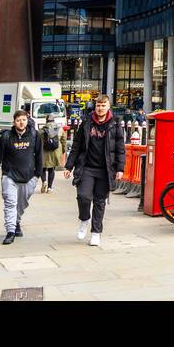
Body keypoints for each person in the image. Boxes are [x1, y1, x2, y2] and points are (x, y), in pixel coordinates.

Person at [64, 93, 126, 246]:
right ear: (95, 106)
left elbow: (120, 148)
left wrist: (120, 168)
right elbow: (77, 146)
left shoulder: (115, 123)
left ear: (108, 106)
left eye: (103, 105)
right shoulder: (86, 122)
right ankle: (84, 219)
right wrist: (69, 166)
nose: (100, 108)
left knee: (99, 201)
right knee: (83, 197)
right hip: (87, 168)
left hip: (105, 169)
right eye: (98, 105)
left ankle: (96, 233)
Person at [0, 109, 43, 245]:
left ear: (27, 120)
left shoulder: (35, 135)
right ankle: (10, 231)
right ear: (14, 122)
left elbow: (40, 156)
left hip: (29, 176)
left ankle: (16, 221)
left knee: (22, 204)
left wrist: (38, 175)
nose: (21, 122)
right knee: (10, 203)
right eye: (18, 120)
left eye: (23, 120)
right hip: (9, 175)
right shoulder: (6, 137)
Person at [40, 117, 64, 192]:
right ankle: (50, 188)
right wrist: (62, 151)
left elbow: (37, 141)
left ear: (46, 121)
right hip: (55, 152)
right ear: (54, 121)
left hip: (44, 152)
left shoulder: (41, 130)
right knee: (51, 169)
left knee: (43, 168)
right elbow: (64, 141)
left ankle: (44, 181)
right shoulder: (60, 129)